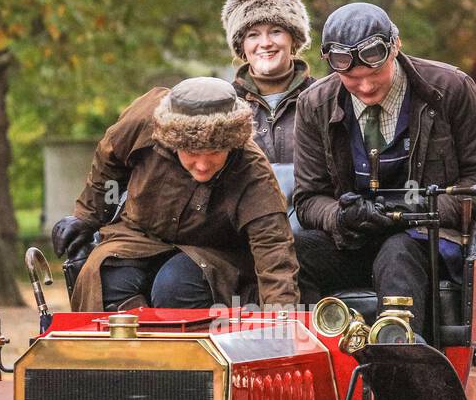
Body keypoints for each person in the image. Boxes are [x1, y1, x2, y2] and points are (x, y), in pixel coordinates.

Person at [290, 2, 476, 339]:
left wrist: (419, 210)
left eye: (374, 75)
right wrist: (341, 217)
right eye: (351, 78)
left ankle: (402, 365)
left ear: (396, 47)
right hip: (354, 240)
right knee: (290, 254)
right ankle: (315, 358)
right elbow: (307, 199)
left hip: (427, 240)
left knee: (397, 254)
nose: (364, 87)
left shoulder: (452, 89)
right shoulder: (313, 103)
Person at [54, 76, 300, 312]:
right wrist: (88, 216)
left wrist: (281, 324)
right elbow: (110, 161)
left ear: (233, 143)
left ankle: (192, 351)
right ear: (173, 142)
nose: (202, 165)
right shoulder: (141, 123)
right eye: (191, 153)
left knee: (175, 287)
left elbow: (274, 251)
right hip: (139, 234)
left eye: (215, 152)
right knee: (104, 278)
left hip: (213, 250)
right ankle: (136, 348)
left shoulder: (253, 172)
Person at [222, 0, 315, 210]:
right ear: (241, 46)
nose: (265, 43)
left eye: (276, 31)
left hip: (315, 230)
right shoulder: (224, 104)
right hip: (243, 233)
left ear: (293, 39)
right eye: (253, 34)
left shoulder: (323, 98)